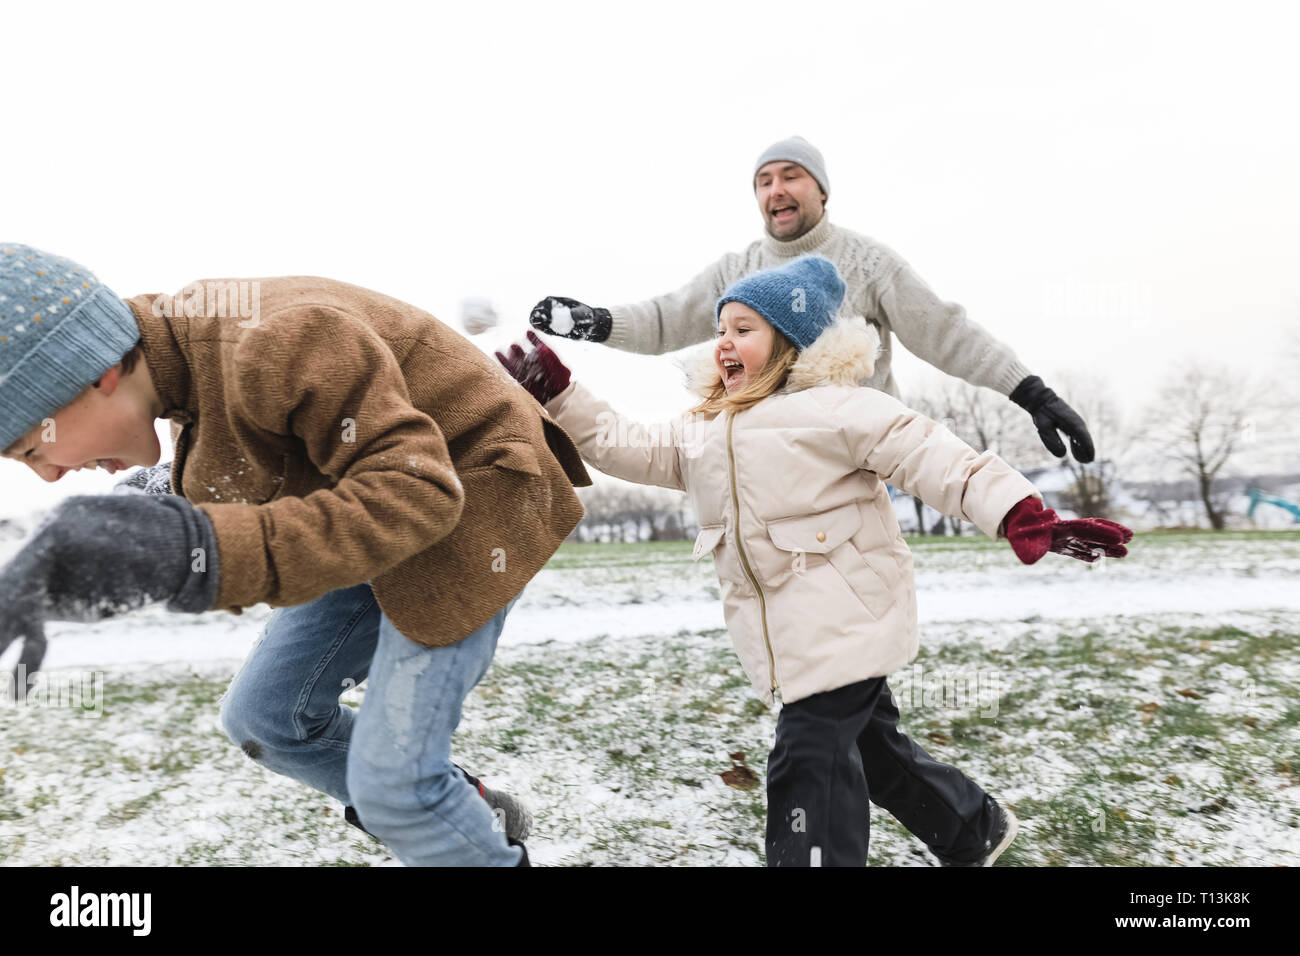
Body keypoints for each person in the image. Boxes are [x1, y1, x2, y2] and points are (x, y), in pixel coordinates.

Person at [498, 255, 1131, 866]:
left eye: (744, 329)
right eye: (721, 330)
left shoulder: (839, 410)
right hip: (789, 636)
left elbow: (936, 457)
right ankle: (973, 829)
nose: (724, 343)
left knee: (807, 759)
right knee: (874, 753)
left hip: (847, 618)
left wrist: (1021, 513)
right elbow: (626, 447)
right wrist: (560, 392)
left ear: (790, 342)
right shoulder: (704, 430)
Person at [0, 243, 594, 866]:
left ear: (93, 372)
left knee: (394, 782)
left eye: (31, 449)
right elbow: (223, 474)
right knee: (265, 717)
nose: (48, 475)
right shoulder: (183, 378)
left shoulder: (276, 338)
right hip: (361, 509)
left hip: (471, 499)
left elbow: (415, 491)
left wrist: (194, 545)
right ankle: (467, 809)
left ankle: (433, 813)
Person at [528, 134, 1095, 464]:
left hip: (858, 456)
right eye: (764, 180)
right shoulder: (738, 269)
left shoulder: (870, 263)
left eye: (792, 176)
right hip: (770, 454)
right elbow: (664, 320)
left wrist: (1031, 392)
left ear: (821, 190)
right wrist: (591, 321)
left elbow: (945, 333)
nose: (776, 188)